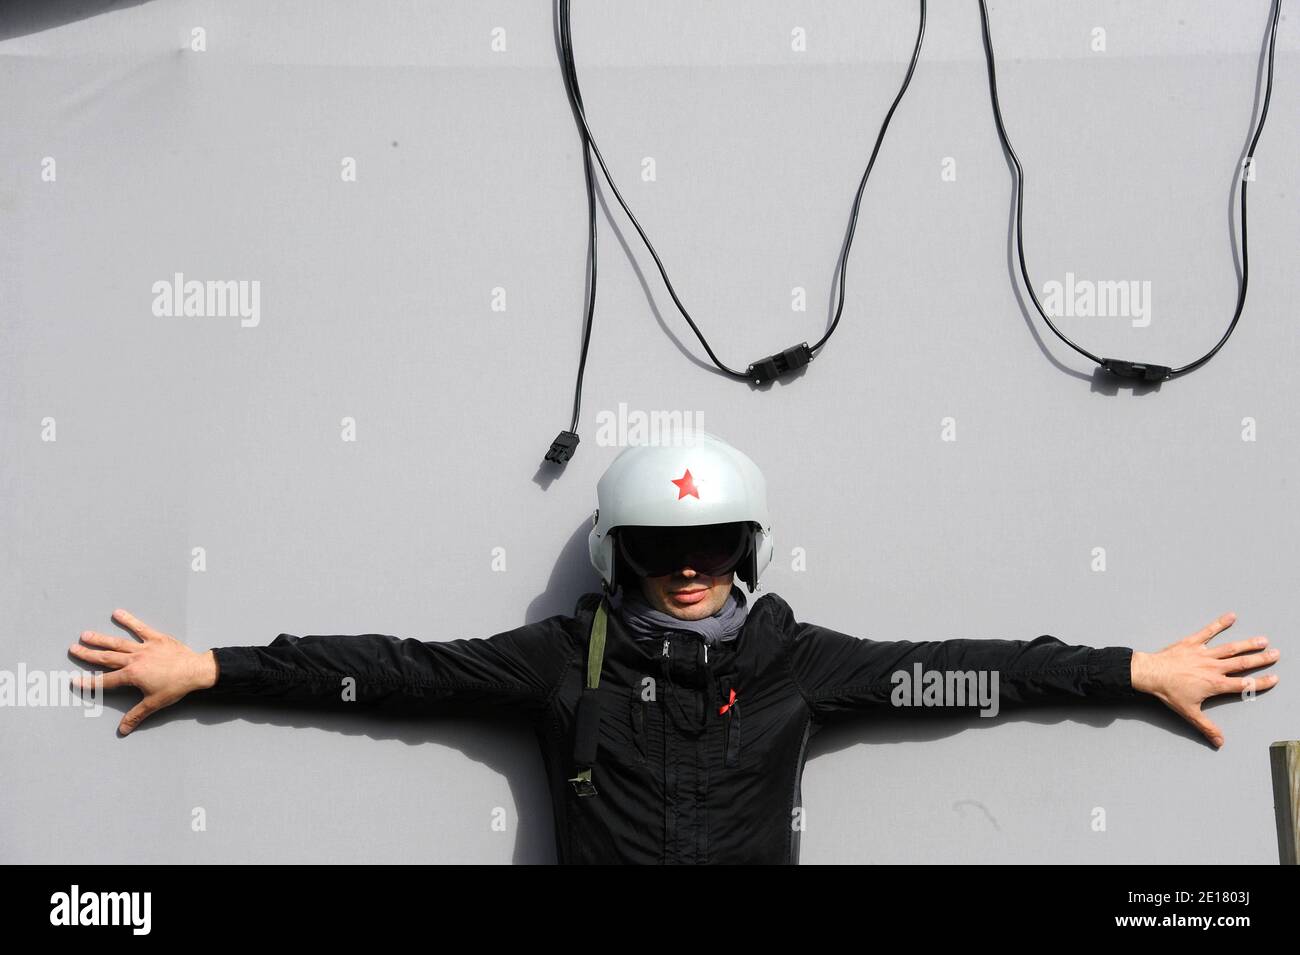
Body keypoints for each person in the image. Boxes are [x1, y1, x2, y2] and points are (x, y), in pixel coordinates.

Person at [70, 431, 1280, 864]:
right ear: (621, 551)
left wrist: (1130, 668)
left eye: (708, 543)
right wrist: (214, 665)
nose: (686, 565)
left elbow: (969, 670)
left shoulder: (800, 664)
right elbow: (393, 668)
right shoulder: (561, 659)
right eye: (660, 543)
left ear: (745, 547)